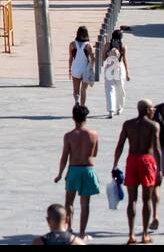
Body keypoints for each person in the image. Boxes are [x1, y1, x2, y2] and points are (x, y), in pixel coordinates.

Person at [112, 100, 161, 244]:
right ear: (146, 110)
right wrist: (159, 169)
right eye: (152, 108)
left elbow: (120, 145)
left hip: (132, 160)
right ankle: (145, 234)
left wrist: (115, 164)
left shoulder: (128, 124)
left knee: (132, 199)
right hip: (147, 161)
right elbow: (157, 149)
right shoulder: (153, 125)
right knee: (146, 199)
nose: (154, 110)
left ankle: (131, 234)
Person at [54, 104, 100, 239]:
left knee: (69, 202)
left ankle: (68, 229)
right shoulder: (94, 134)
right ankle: (82, 232)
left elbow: (64, 157)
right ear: (86, 118)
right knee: (85, 204)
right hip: (88, 169)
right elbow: (95, 153)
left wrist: (60, 174)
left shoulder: (68, 136)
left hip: (73, 169)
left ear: (73, 118)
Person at [69, 26, 94, 107]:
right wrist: (91, 67)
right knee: (83, 90)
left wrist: (69, 70)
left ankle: (77, 101)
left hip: (75, 69)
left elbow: (70, 58)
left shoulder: (72, 44)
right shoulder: (88, 46)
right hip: (85, 69)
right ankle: (82, 106)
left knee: (76, 90)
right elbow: (93, 59)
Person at [104, 45, 127, 119]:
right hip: (119, 68)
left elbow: (103, 58)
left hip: (109, 68)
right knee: (120, 89)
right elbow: (125, 59)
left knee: (110, 90)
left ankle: (111, 110)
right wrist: (127, 72)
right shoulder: (123, 46)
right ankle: (119, 108)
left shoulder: (107, 45)